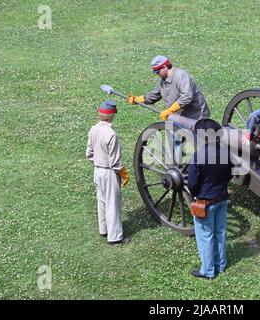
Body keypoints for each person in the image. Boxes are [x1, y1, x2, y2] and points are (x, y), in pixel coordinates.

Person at [187, 119, 233, 279]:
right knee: (220, 232)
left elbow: (192, 181)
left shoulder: (199, 155)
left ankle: (208, 271)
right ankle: (221, 264)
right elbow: (229, 174)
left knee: (205, 235)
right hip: (222, 198)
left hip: (205, 201)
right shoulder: (226, 152)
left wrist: (195, 193)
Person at [86, 100, 130, 245]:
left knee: (102, 201)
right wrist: (123, 173)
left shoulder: (93, 129)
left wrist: (98, 161)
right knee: (113, 204)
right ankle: (115, 237)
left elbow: (89, 153)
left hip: (97, 171)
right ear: (111, 116)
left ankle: (103, 229)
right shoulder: (111, 134)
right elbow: (115, 161)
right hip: (110, 173)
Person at [127, 55, 210, 121]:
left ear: (165, 67)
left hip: (196, 116)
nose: (156, 74)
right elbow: (155, 94)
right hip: (178, 117)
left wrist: (170, 110)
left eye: (157, 71)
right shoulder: (163, 80)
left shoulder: (181, 76)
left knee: (198, 141)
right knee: (174, 141)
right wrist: (138, 99)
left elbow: (186, 97)